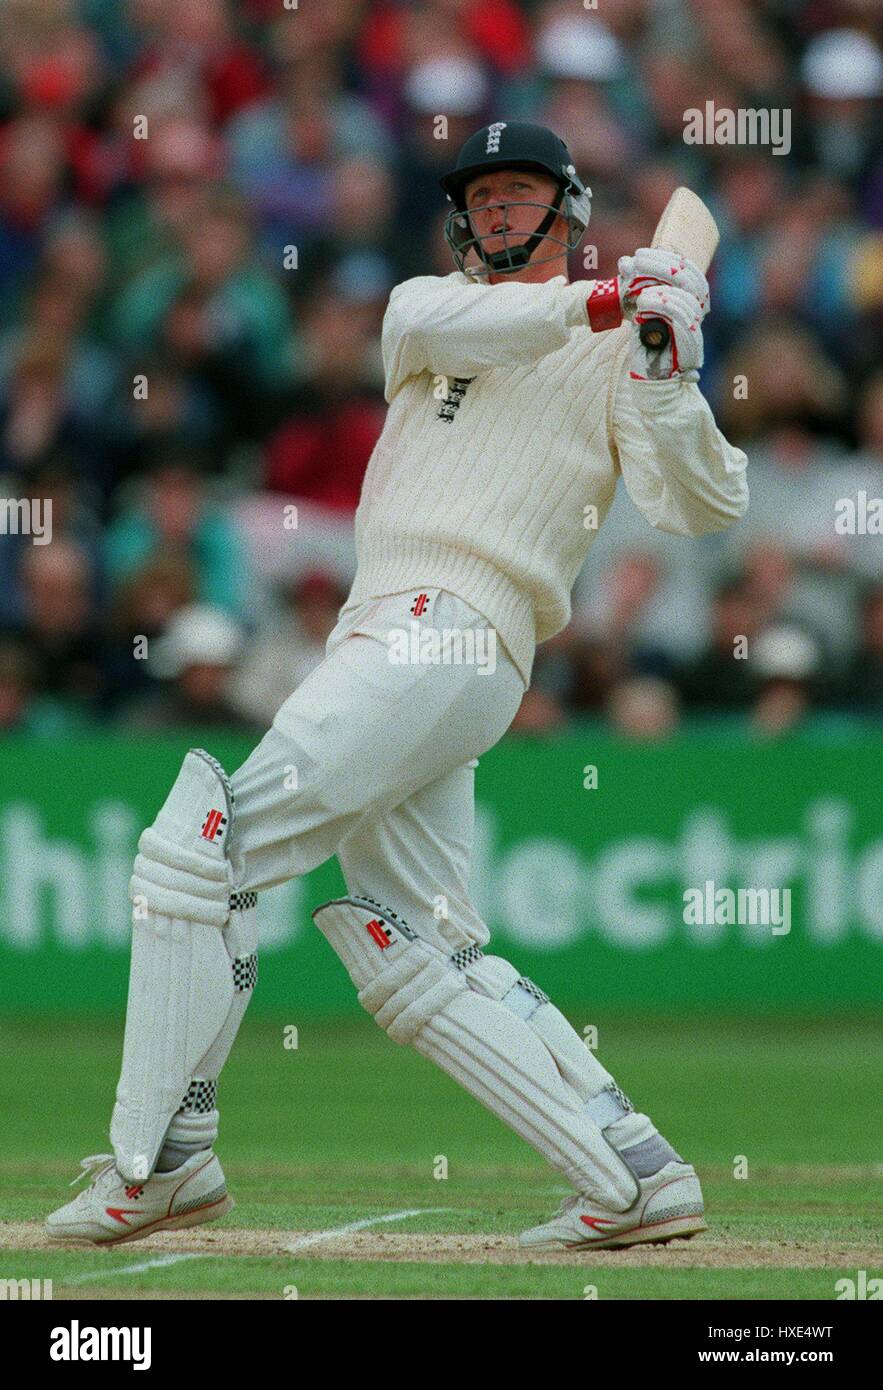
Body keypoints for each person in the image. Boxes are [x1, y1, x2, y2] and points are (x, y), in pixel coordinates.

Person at [46, 122, 748, 1252]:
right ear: (460, 221)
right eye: (484, 200)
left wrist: (668, 372)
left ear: (565, 210)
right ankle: (631, 1170)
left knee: (198, 845)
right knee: (415, 941)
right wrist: (620, 299)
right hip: (389, 635)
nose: (500, 215)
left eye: (522, 196)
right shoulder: (429, 311)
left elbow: (702, 507)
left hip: (459, 627)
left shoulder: (619, 352)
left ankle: (162, 1156)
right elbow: (484, 318)